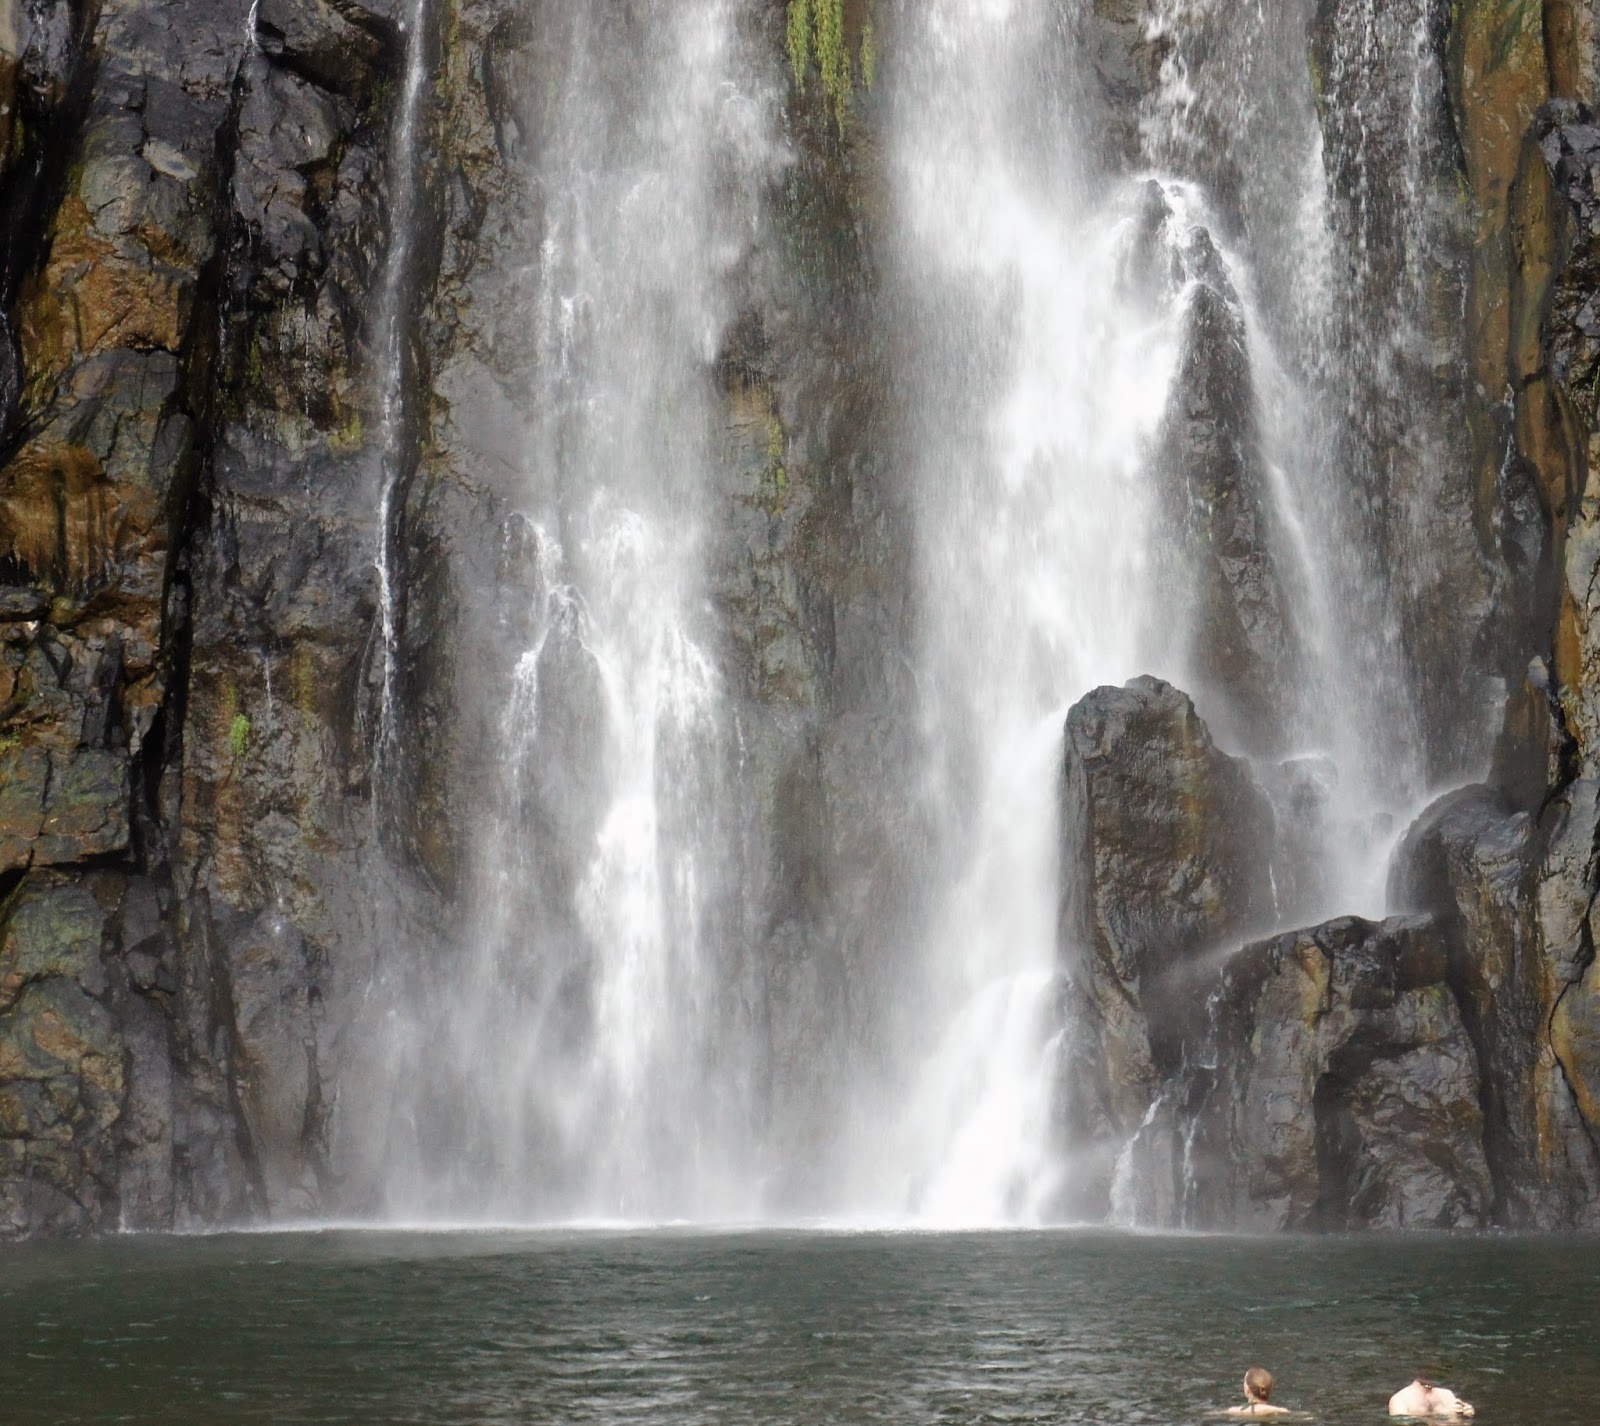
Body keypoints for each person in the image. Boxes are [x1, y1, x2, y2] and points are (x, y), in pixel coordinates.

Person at [1388, 1378, 1475, 1417]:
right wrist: (1439, 1415)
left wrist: (1465, 1415)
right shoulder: (1399, 1399)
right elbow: (1399, 1422)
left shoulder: (1447, 1394)